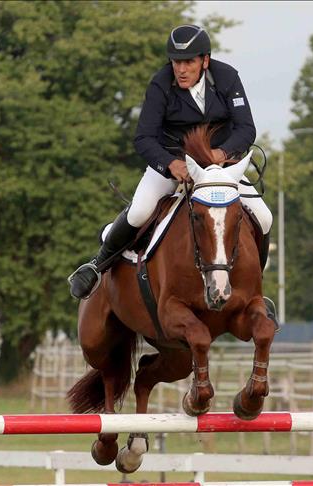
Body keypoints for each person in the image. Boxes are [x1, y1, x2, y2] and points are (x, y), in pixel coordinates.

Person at [68, 24, 276, 320]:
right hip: (173, 165)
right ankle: (96, 266)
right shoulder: (161, 84)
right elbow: (143, 138)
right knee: (140, 212)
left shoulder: (227, 77)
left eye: (188, 61)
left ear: (205, 60)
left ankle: (255, 289)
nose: (181, 69)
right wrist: (171, 164)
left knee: (265, 218)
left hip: (219, 169)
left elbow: (246, 129)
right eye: (176, 62)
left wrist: (220, 155)